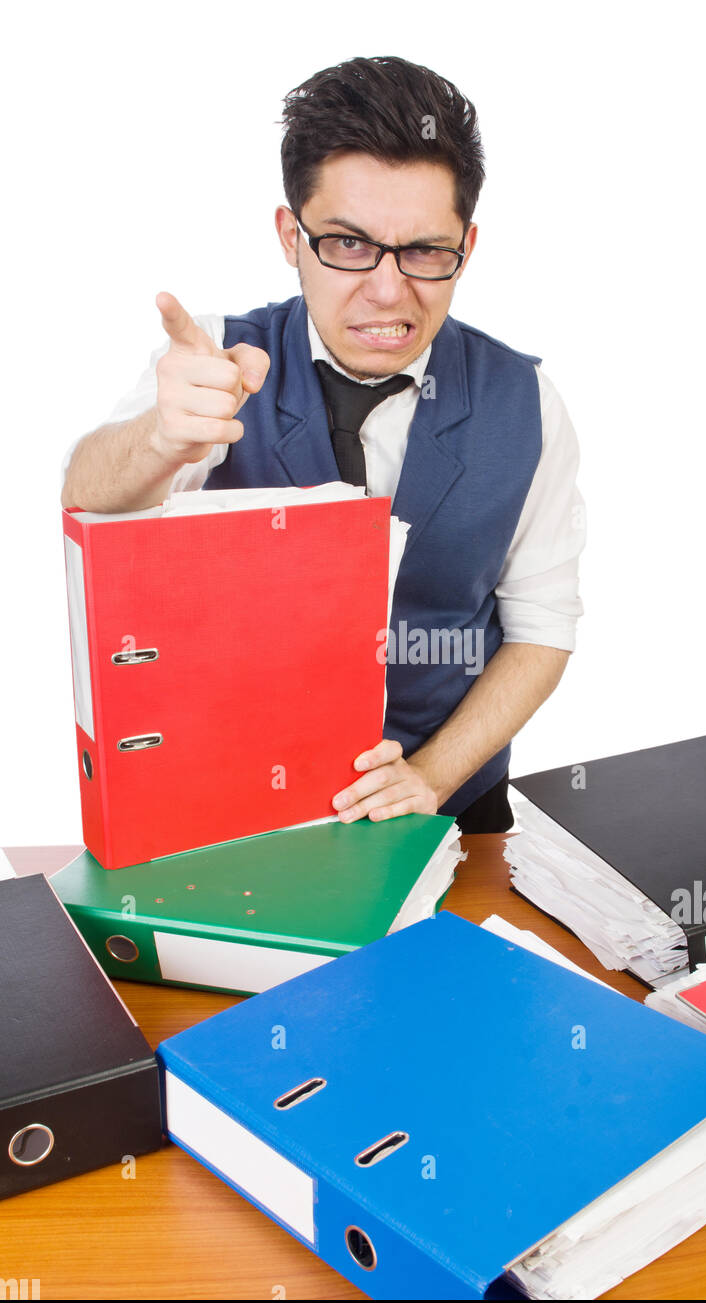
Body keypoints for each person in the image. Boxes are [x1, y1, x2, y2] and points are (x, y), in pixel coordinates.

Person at [61, 55, 585, 834]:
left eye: (426, 252)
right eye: (346, 243)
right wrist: (161, 440)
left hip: (452, 808)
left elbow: (542, 626)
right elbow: (87, 495)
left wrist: (430, 777)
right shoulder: (214, 356)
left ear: (465, 247)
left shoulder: (527, 400)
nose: (385, 289)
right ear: (289, 234)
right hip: (230, 805)